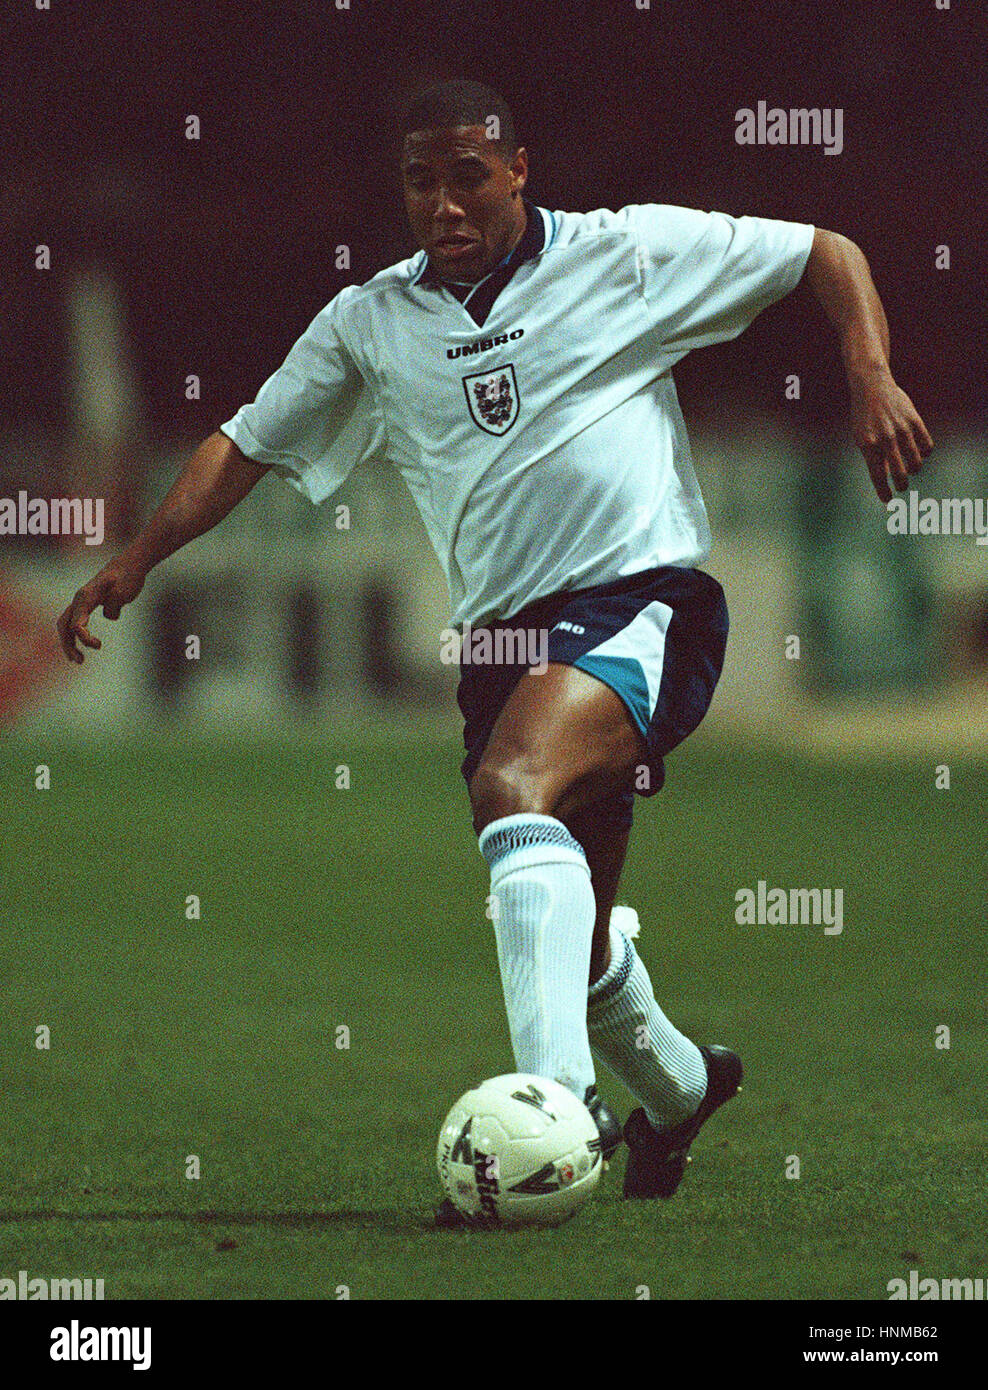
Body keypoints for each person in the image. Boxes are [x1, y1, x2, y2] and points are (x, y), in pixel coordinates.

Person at [57, 79, 933, 1224]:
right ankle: (678, 1092)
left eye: (468, 174)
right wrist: (142, 556)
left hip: (643, 601)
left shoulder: (626, 255)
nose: (443, 202)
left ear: (519, 169)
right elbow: (246, 442)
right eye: (420, 180)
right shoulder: (370, 321)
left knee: (510, 784)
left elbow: (827, 251)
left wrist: (866, 372)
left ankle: (555, 1110)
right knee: (568, 952)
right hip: (502, 649)